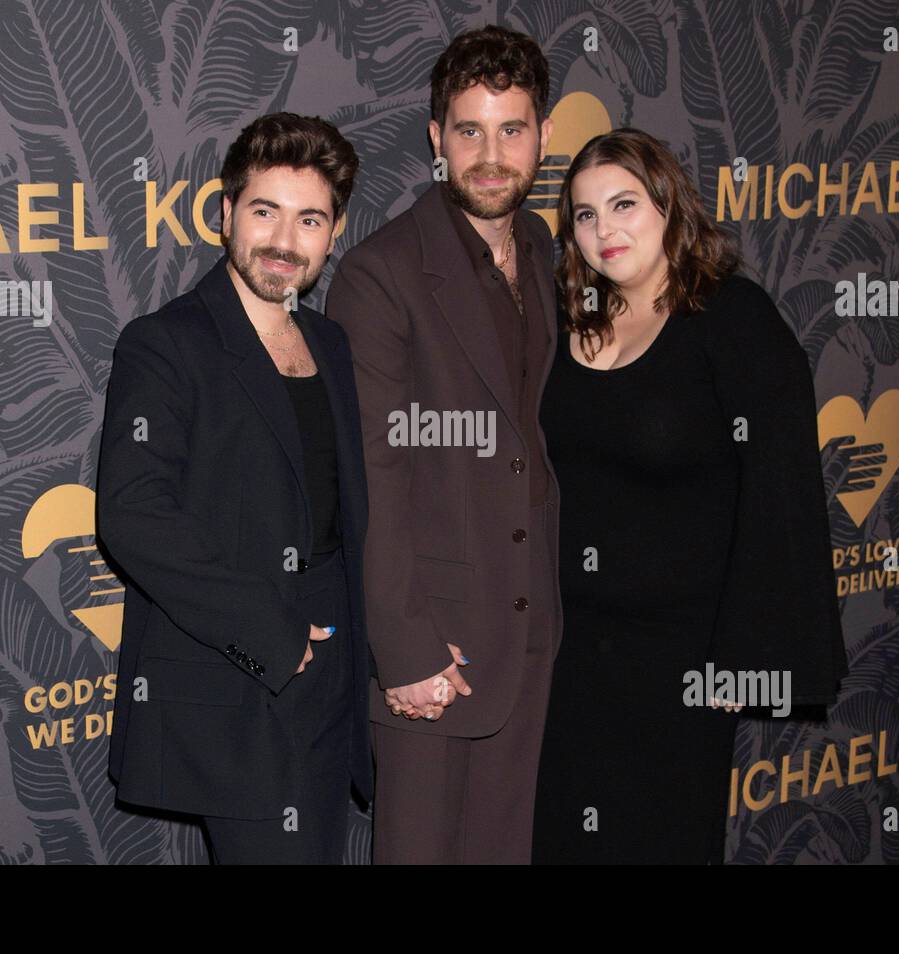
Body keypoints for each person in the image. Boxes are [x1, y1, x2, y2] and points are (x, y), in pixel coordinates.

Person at [531, 128, 850, 864]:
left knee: (660, 841)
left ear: (669, 204)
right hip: (567, 652)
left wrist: (748, 657)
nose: (604, 230)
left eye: (623, 204)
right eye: (583, 215)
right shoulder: (564, 320)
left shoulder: (731, 319)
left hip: (681, 661)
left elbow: (781, 494)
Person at [96, 112, 373, 864]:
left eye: (309, 219)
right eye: (265, 212)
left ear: (333, 232)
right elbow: (134, 516)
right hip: (240, 673)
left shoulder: (331, 343)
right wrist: (274, 640)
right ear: (225, 215)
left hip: (333, 668)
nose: (285, 241)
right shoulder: (167, 344)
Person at [325, 25, 562, 864]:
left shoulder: (544, 254)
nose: (491, 155)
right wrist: (406, 648)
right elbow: (373, 478)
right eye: (469, 130)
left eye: (512, 129)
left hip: (529, 627)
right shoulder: (380, 274)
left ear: (543, 134)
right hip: (437, 650)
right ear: (436, 139)